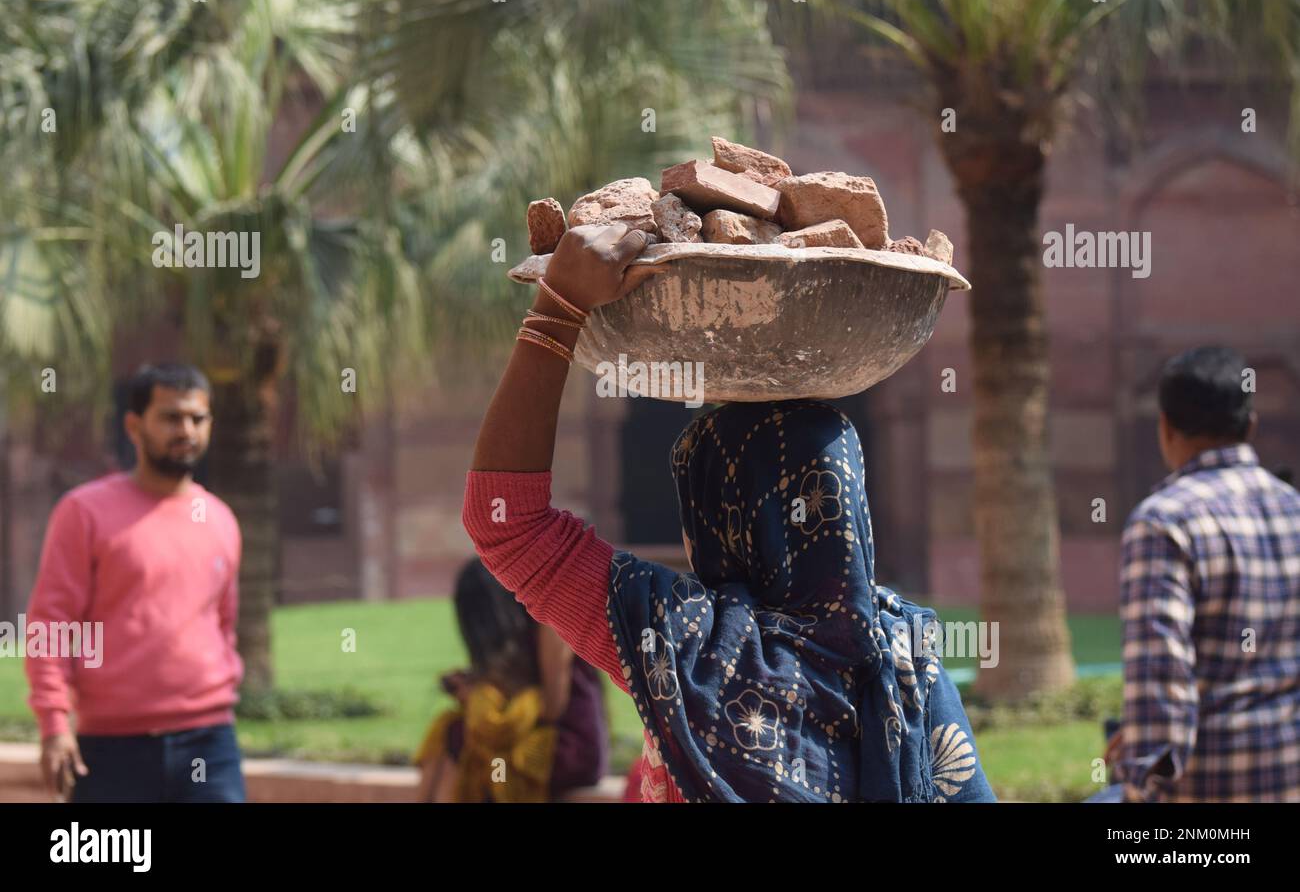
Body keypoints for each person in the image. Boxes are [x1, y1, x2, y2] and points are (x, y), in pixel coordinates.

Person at [461, 221, 995, 802]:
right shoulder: (907, 657)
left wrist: (558, 309)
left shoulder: (690, 646)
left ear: (717, 521)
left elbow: (506, 523)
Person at [25, 362, 246, 802]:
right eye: (170, 417)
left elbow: (223, 626)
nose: (186, 430)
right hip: (109, 749)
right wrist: (53, 723)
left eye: (197, 419)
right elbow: (51, 625)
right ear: (133, 425)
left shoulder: (219, 519)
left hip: (208, 741)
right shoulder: (85, 513)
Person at [1108, 346, 1300, 801]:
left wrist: (1142, 780)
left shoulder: (1163, 522)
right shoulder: (1294, 509)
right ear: (1249, 425)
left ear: (1165, 428)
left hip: (1206, 786)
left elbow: (1161, 674)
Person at [414, 557, 609, 802]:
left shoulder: (550, 617)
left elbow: (552, 706)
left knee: (460, 738)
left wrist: (485, 705)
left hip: (567, 743)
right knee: (449, 730)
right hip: (530, 731)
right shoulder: (512, 633)